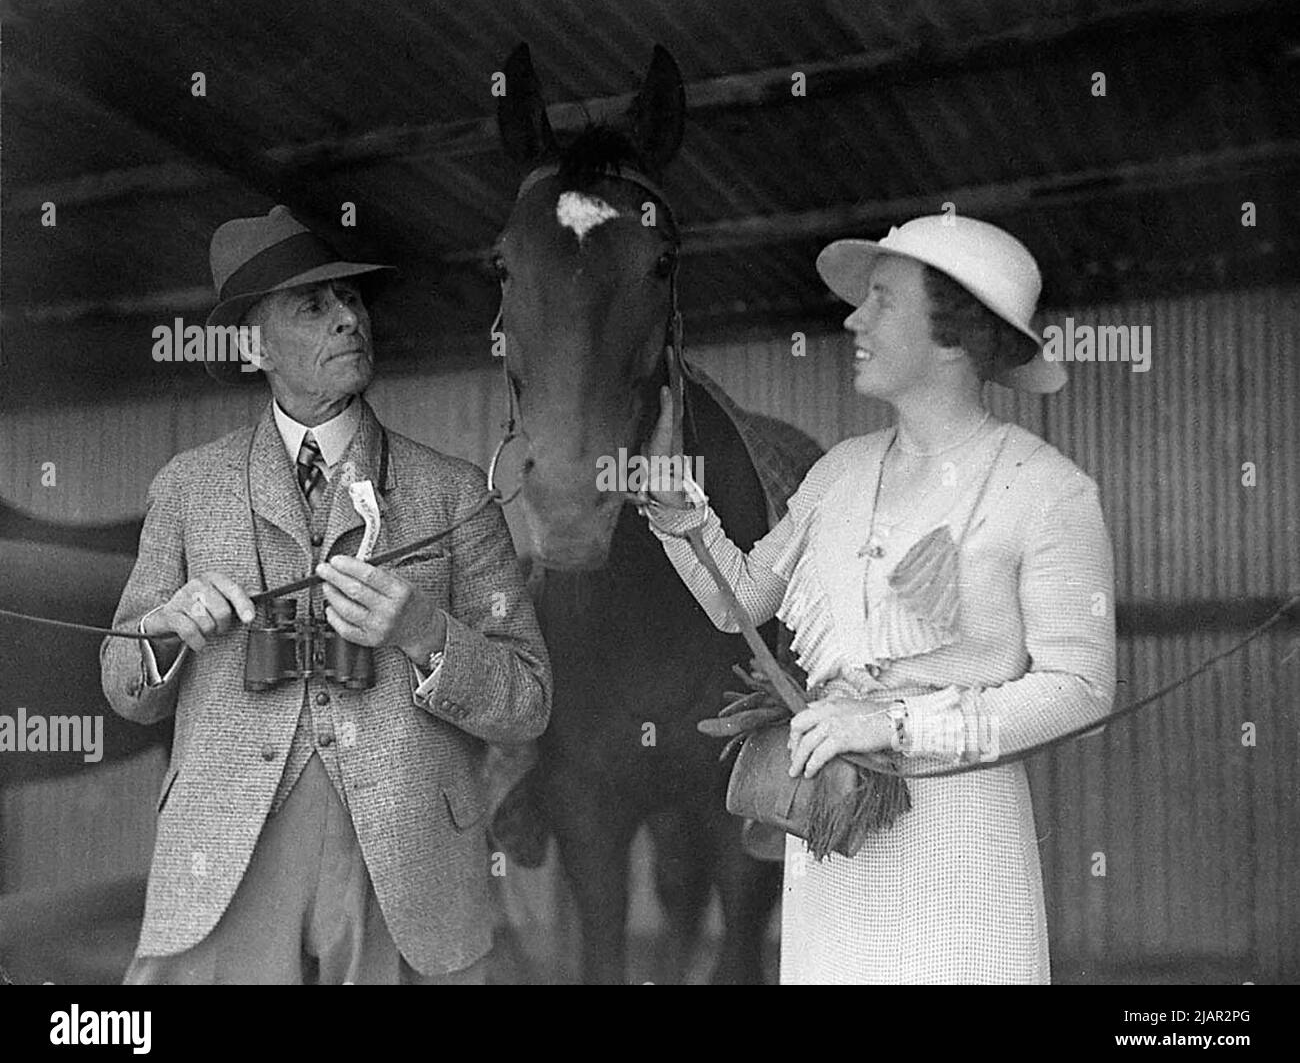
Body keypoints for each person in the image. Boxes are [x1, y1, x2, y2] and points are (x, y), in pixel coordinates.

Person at [642, 215, 1115, 984]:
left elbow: (1082, 691)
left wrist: (891, 720)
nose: (853, 318)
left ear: (955, 333)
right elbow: (741, 605)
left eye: (883, 301)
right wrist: (677, 511)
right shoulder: (838, 473)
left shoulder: (1049, 491)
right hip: (834, 835)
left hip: (962, 844)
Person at [101, 205, 551, 984]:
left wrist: (424, 633)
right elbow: (123, 683)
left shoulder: (454, 495)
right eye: (314, 305)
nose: (349, 317)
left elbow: (529, 699)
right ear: (253, 345)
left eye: (352, 299)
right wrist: (166, 631)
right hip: (226, 849)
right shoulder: (187, 487)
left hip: (405, 858)